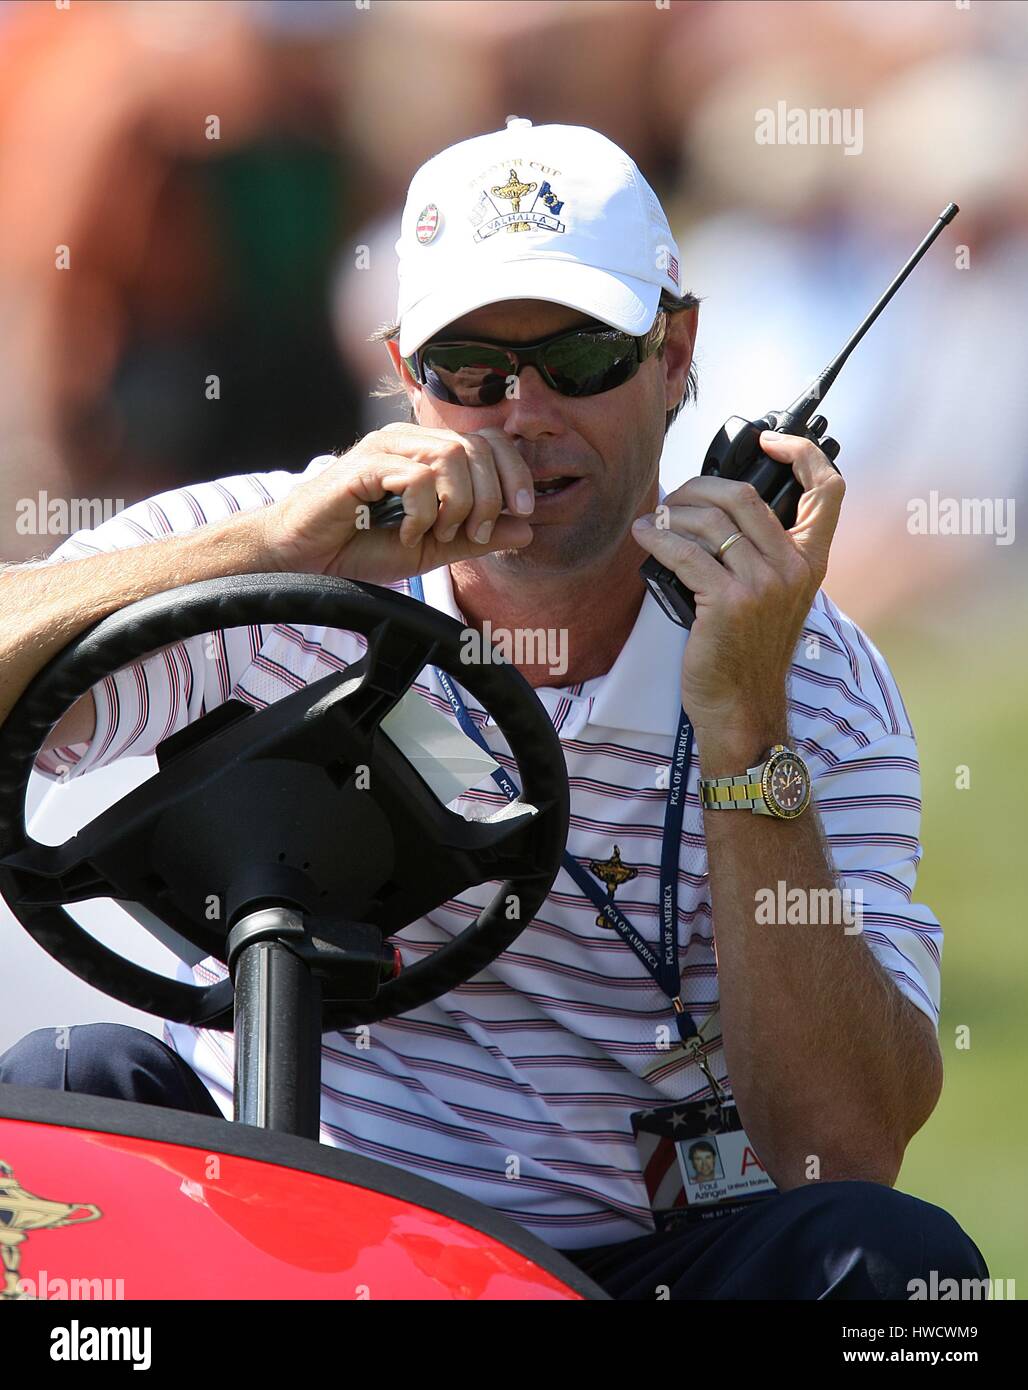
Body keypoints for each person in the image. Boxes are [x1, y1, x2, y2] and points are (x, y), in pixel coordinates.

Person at [0, 119, 986, 1299]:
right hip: (269, 1223)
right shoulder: (275, 550)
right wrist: (258, 550)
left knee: (900, 1271)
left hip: (625, 1268)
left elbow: (844, 1149)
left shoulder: (809, 673)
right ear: (404, 376)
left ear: (675, 355)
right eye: (469, 369)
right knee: (67, 1087)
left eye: (578, 360)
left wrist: (742, 719)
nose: (522, 412)